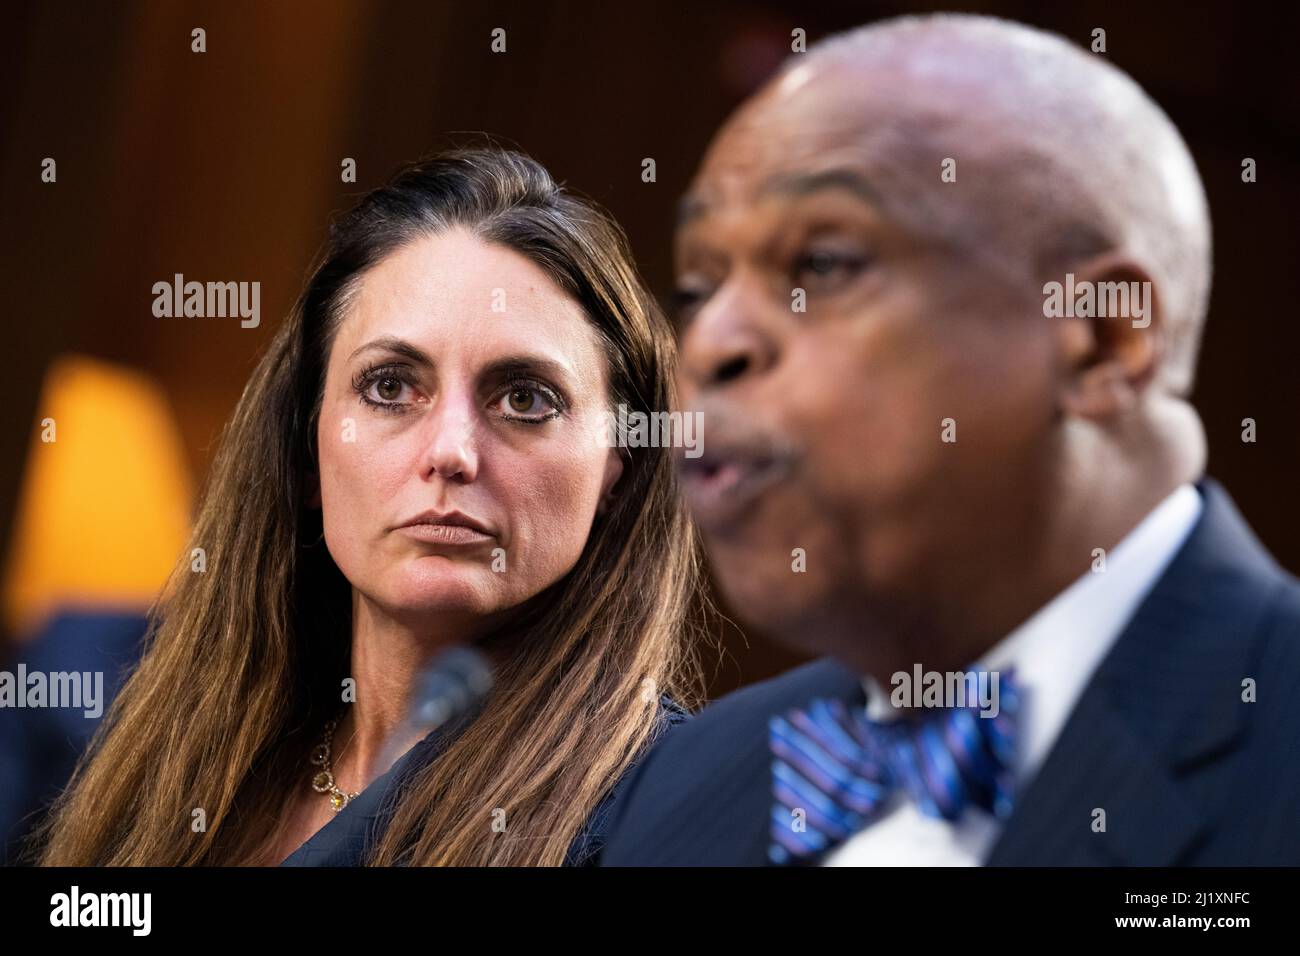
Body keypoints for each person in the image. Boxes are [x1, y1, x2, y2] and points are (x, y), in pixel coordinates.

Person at [600, 14, 1300, 866]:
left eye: (821, 265)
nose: (711, 342)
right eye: (699, 287)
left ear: (1103, 337)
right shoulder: (682, 787)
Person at [31, 147, 703, 866]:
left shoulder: (672, 818)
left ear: (616, 469)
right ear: (306, 449)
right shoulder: (174, 759)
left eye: (524, 399)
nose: (451, 452)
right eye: (389, 387)